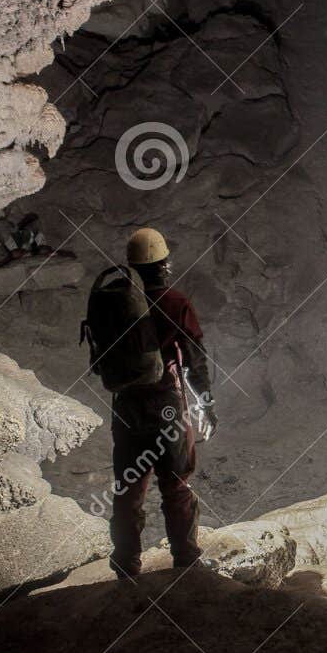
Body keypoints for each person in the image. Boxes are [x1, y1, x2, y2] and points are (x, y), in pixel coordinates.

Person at [108, 227, 217, 579]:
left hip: (126, 407)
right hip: (166, 406)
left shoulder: (113, 301)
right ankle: (186, 561)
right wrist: (206, 404)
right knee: (176, 484)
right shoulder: (175, 303)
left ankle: (126, 565)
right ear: (165, 265)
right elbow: (194, 361)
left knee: (128, 488)